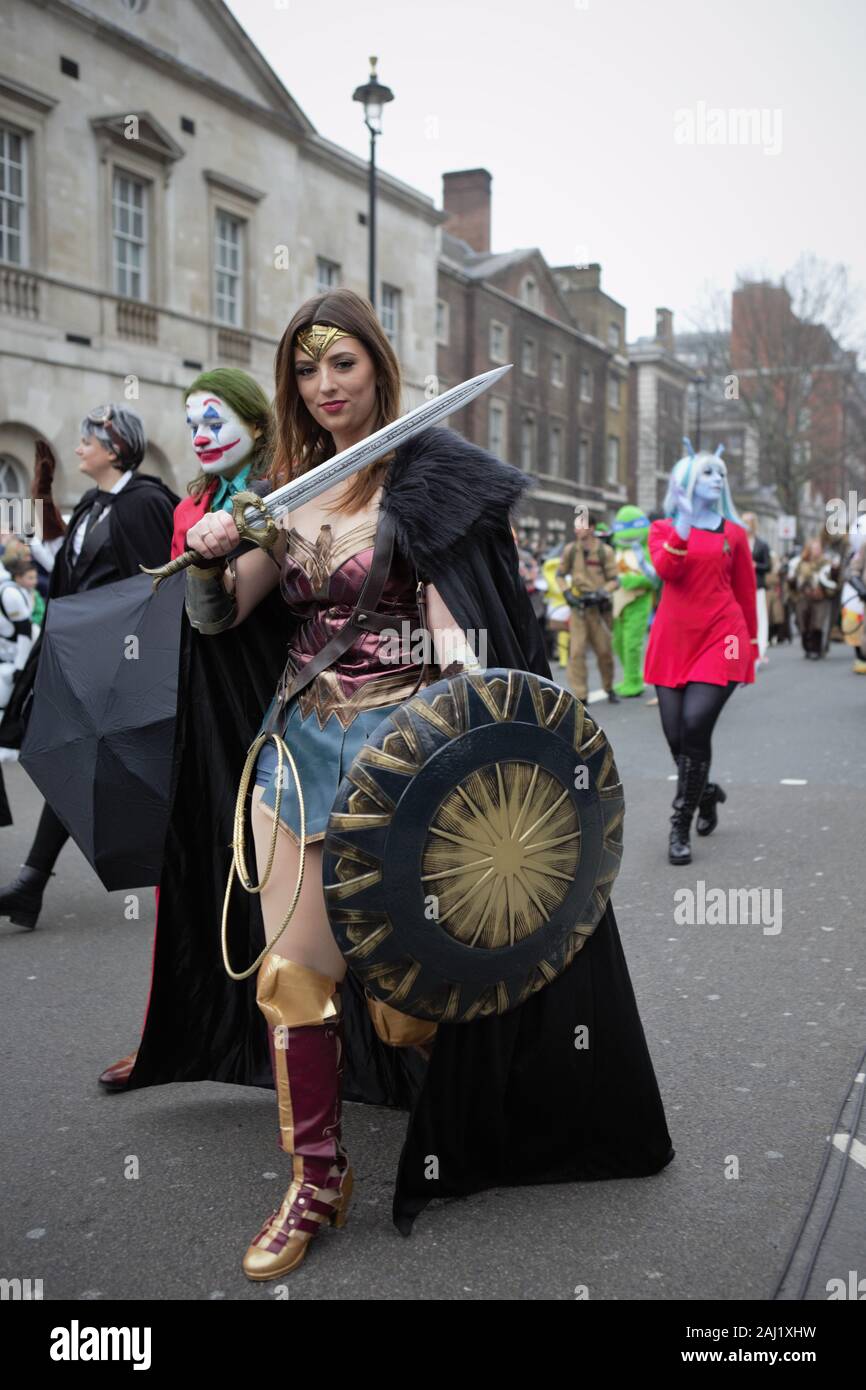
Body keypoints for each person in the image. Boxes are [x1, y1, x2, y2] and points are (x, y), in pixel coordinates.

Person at [132, 288, 673, 1280]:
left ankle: (453, 1096)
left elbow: (454, 611)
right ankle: (316, 1178)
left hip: (407, 753)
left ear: (376, 365)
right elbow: (227, 618)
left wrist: (477, 688)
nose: (324, 383)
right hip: (296, 748)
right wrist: (212, 558)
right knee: (293, 976)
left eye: (342, 362)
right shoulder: (283, 487)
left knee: (423, 976)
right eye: (304, 367)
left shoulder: (431, 480)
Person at [97, 369, 275, 1092]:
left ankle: (303, 1037)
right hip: (198, 693)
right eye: (192, 421)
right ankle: (176, 1035)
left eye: (216, 419)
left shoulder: (277, 494)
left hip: (265, 695)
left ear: (257, 427)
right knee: (192, 859)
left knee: (280, 868)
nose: (200, 434)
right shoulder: (190, 503)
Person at [0, 406, 177, 929]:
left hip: (124, 661)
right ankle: (31, 883)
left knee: (144, 766)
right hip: (86, 657)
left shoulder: (144, 502)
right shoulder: (96, 504)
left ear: (115, 447)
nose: (80, 447)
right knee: (79, 760)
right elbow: (70, 577)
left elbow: (155, 588)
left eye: (88, 440)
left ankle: (201, 875)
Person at [644, 441, 757, 865]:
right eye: (708, 472)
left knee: (694, 725)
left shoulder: (735, 534)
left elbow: (746, 591)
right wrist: (685, 524)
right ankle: (706, 792)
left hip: (723, 636)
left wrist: (752, 646)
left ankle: (680, 823)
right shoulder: (663, 530)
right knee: (677, 738)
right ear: (686, 480)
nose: (717, 479)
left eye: (721, 474)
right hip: (672, 639)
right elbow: (667, 571)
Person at [557, 508, 620, 703]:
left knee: (604, 652)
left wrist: (602, 592)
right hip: (579, 609)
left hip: (599, 610)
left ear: (591, 528)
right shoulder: (570, 550)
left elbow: (615, 580)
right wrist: (567, 593)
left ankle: (609, 687)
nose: (577, 530)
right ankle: (581, 694)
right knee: (576, 653)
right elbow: (559, 575)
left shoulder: (604, 551)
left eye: (581, 526)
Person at [610, 505, 658, 698]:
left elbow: (653, 577)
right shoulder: (617, 550)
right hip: (618, 600)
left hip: (638, 598)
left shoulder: (645, 550)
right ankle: (633, 675)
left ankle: (633, 681)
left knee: (632, 643)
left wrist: (626, 581)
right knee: (618, 642)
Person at [794, 538, 839, 659]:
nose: (816, 551)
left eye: (818, 548)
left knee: (818, 623)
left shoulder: (826, 563)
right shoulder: (802, 563)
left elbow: (833, 582)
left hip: (821, 597)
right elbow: (795, 580)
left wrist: (833, 574)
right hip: (804, 597)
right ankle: (807, 647)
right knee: (804, 623)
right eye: (814, 548)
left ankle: (816, 649)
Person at [741, 513, 770, 665]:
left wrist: (756, 565)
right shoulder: (739, 541)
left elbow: (768, 566)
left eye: (748, 522)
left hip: (757, 586)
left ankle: (760, 649)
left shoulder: (762, 544)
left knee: (760, 618)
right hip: (742, 587)